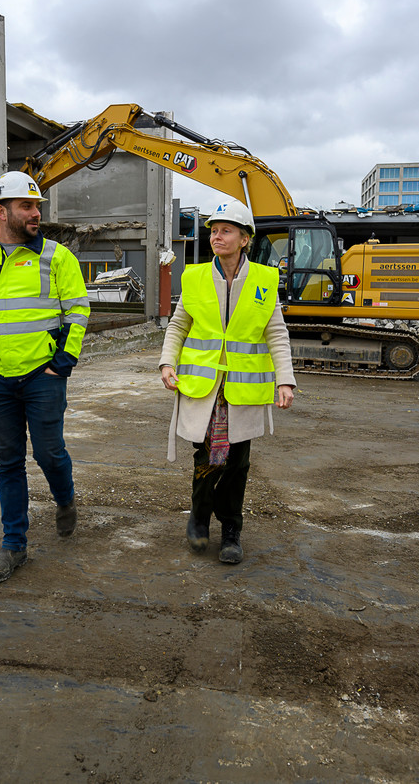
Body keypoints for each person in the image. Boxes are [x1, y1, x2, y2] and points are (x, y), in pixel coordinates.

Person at [0, 171, 91, 584]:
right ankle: (14, 546)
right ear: (0, 211)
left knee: (49, 454)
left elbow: (77, 312)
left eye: (37, 206)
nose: (35, 213)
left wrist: (62, 362)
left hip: (43, 376)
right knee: (8, 463)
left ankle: (64, 499)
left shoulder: (55, 256)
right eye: (27, 206)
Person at [158, 199, 296, 564]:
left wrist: (286, 381)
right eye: (214, 230)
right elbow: (178, 325)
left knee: (237, 461)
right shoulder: (195, 276)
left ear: (245, 239)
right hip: (203, 387)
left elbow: (276, 334)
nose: (217, 236)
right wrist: (166, 363)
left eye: (226, 231)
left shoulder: (265, 280)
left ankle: (231, 530)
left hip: (244, 389)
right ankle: (200, 519)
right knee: (206, 456)